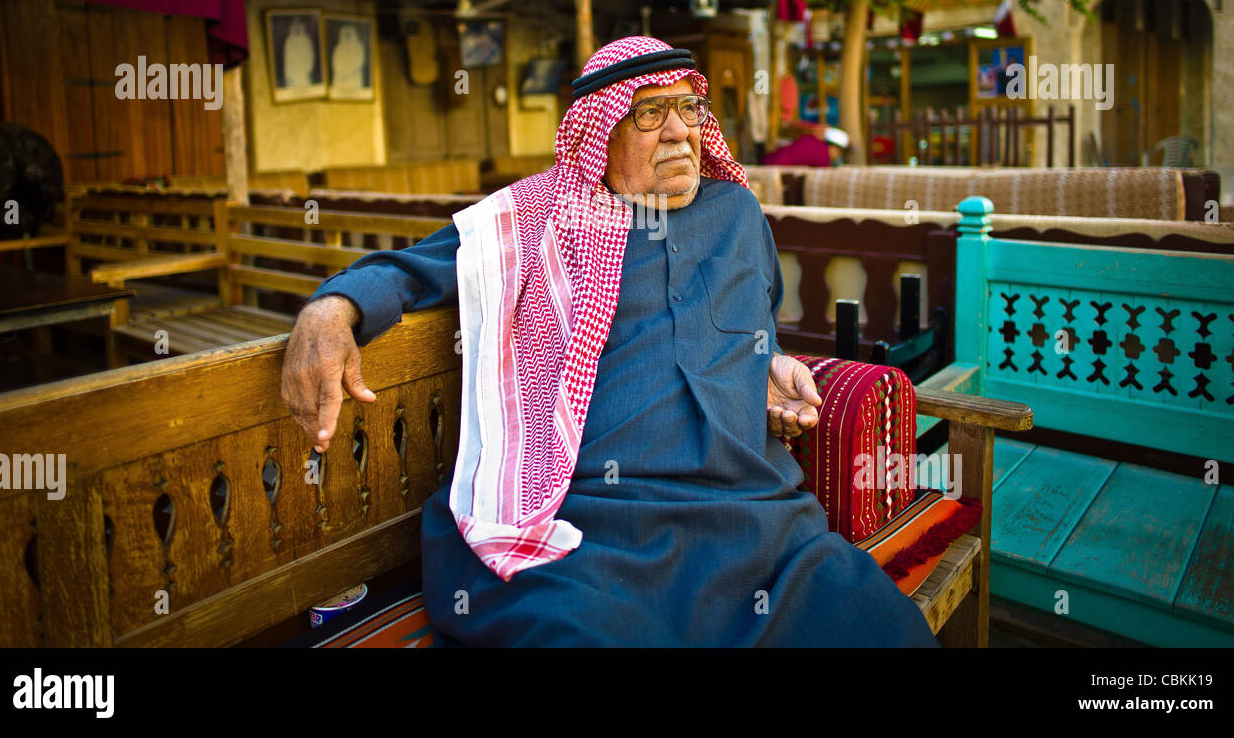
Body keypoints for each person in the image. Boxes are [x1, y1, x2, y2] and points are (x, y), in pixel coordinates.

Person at [280, 36, 937, 647]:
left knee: (880, 626)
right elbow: (405, 272)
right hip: (594, 533)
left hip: (760, 524)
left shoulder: (737, 214)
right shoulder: (538, 219)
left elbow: (753, 322)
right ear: (601, 129)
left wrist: (774, 362)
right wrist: (330, 312)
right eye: (650, 114)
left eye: (688, 107)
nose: (681, 129)